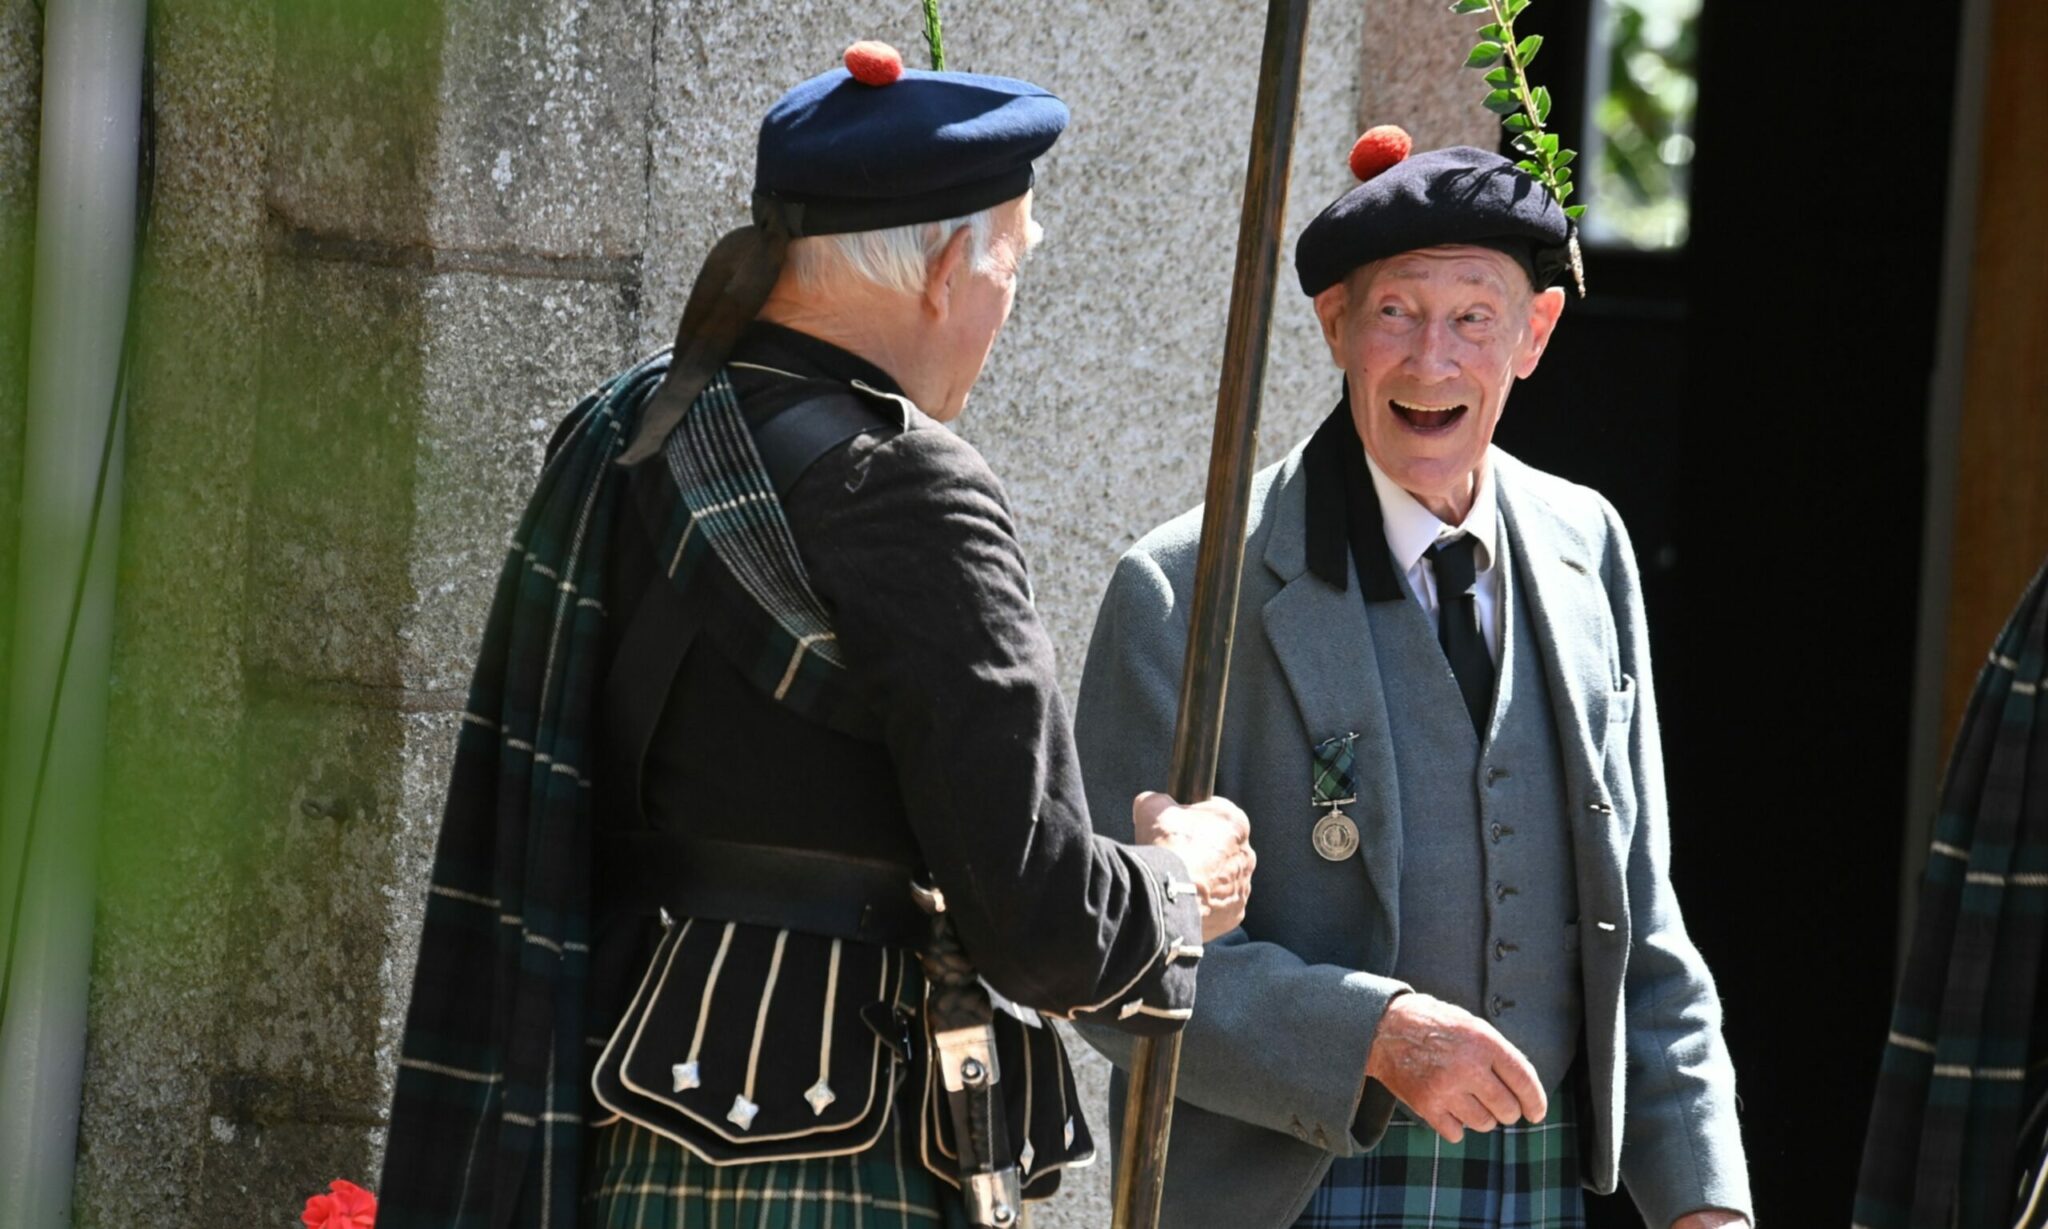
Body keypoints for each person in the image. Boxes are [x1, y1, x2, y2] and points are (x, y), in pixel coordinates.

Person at [378, 40, 1252, 1229]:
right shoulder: (908, 484)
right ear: (948, 268)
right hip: (835, 1167)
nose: (1004, 307)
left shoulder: (624, 433)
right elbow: (1037, 920)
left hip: (625, 1140)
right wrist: (1177, 883)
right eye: (1012, 267)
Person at [1072, 131, 1751, 1228]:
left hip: (1535, 1186)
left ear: (1533, 334)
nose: (1430, 361)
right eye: (1394, 312)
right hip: (1288, 1193)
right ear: (1334, 321)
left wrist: (1703, 1202)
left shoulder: (1589, 547)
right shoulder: (1185, 588)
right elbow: (1109, 958)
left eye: (1473, 317)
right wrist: (1372, 1036)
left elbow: (1644, 927)